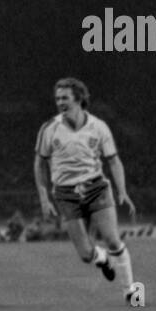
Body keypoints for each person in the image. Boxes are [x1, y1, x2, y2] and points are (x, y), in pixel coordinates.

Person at [33, 77, 137, 298]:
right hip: (66, 193)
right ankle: (101, 258)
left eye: (65, 97)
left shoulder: (98, 127)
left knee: (112, 239)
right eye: (57, 98)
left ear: (79, 98)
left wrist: (122, 191)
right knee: (85, 254)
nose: (60, 102)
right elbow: (39, 163)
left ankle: (131, 291)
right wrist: (44, 198)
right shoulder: (49, 128)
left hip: (96, 188)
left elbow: (113, 160)